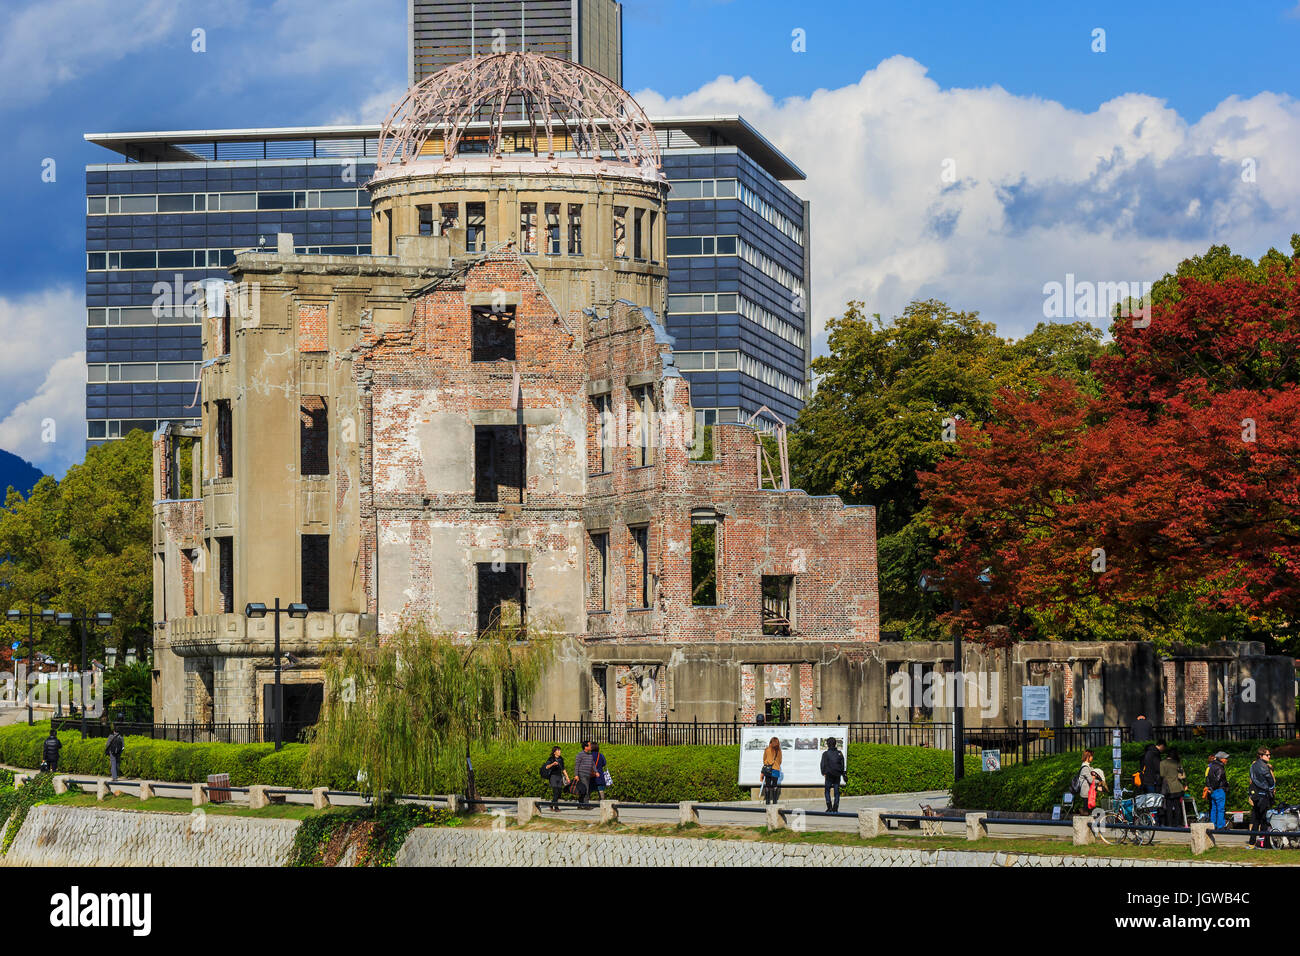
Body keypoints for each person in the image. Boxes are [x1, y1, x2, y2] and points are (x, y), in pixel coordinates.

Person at [1248, 746, 1276, 849]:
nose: (1269, 756)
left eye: (1269, 755)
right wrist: (1271, 787)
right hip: (1263, 795)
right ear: (1261, 755)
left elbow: (1251, 779)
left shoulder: (1253, 765)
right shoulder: (1264, 766)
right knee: (1264, 820)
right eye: (1267, 755)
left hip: (1255, 795)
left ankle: (1251, 843)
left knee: (1255, 819)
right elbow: (1271, 781)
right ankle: (1263, 843)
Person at [1158, 747, 1187, 827]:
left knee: (1169, 807)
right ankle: (1178, 824)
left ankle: (1170, 824)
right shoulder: (1177, 763)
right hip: (1178, 787)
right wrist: (1185, 784)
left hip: (1168, 788)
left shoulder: (1162, 763)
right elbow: (1182, 775)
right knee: (1177, 806)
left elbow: (1162, 774)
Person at [1074, 749, 1107, 813]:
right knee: (1087, 811)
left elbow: (1094, 776)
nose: (1092, 757)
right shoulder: (1085, 768)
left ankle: (1083, 811)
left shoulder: (1088, 767)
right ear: (1087, 757)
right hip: (1086, 792)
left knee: (1089, 810)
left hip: (1089, 791)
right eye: (1091, 756)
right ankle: (1082, 811)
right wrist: (1099, 781)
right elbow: (1091, 780)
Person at [819, 737, 847, 812]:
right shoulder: (839, 753)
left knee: (827, 791)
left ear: (828, 744)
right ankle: (835, 807)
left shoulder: (825, 754)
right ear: (835, 744)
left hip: (828, 775)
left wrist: (823, 773)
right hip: (837, 775)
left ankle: (829, 807)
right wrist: (842, 773)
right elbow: (842, 764)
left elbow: (822, 764)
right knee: (836, 791)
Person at [1206, 751, 1229, 831]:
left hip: (1213, 791)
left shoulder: (1211, 766)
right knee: (1220, 809)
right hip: (1219, 789)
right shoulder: (1220, 767)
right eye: (1226, 758)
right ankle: (1220, 826)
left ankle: (1213, 825)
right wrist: (1226, 785)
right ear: (1221, 759)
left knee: (1214, 808)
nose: (1227, 760)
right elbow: (1218, 779)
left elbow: (1207, 778)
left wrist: (1210, 788)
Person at [543, 745, 568, 811]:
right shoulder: (551, 759)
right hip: (553, 776)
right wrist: (552, 764)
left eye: (560, 750)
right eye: (558, 750)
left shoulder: (561, 759)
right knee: (556, 792)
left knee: (559, 792)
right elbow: (546, 767)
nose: (560, 752)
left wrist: (567, 777)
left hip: (559, 776)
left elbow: (563, 768)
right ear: (554, 752)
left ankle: (551, 804)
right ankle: (556, 807)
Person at [761, 736, 783, 804]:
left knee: (767, 785)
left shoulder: (767, 749)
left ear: (771, 742)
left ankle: (767, 801)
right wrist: (776, 765)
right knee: (775, 785)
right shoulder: (779, 750)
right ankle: (775, 801)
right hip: (776, 769)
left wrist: (767, 763)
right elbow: (780, 761)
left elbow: (764, 759)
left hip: (768, 769)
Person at [573, 740, 595, 806]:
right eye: (590, 745)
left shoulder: (590, 755)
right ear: (585, 747)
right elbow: (577, 765)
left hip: (588, 775)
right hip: (582, 774)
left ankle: (581, 804)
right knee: (586, 789)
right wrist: (576, 775)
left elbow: (593, 764)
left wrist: (596, 771)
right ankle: (586, 804)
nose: (591, 746)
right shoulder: (580, 755)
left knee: (583, 789)